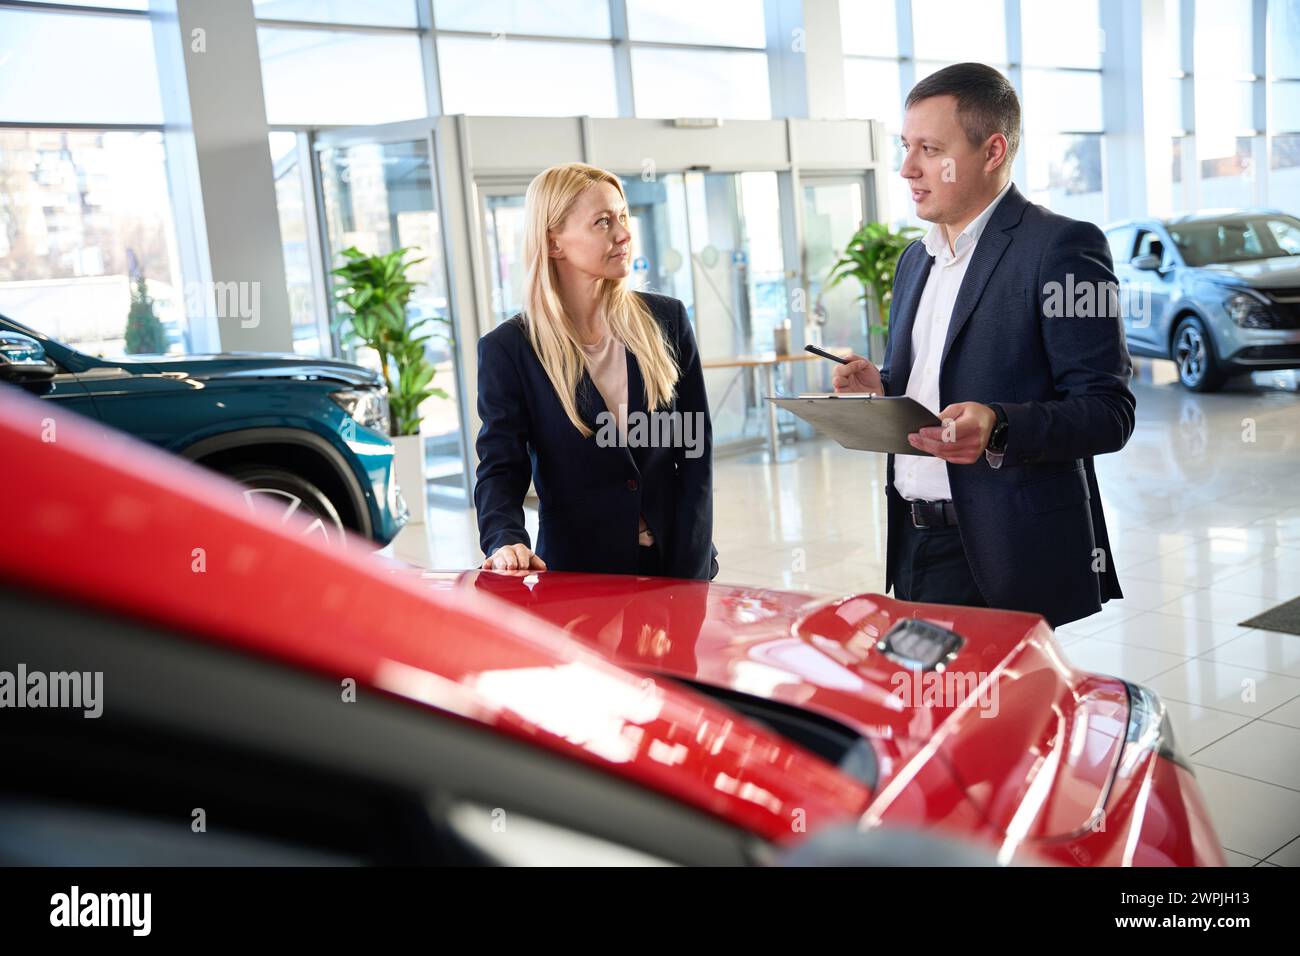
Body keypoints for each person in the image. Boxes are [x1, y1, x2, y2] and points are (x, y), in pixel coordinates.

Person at [833, 63, 1135, 627]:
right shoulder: (914, 260)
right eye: (905, 146)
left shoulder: (1061, 247)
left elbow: (1108, 413)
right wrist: (883, 384)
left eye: (928, 148)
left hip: (1005, 553)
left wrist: (998, 424)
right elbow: (938, 381)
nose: (907, 168)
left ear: (992, 150)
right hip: (914, 542)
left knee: (994, 713)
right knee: (929, 711)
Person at [474, 162, 717, 580]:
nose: (623, 234)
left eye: (623, 217)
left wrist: (690, 571)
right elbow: (501, 466)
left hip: (674, 567)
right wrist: (504, 539)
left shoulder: (667, 320)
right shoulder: (510, 349)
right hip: (577, 576)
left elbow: (696, 455)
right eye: (603, 222)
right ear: (554, 244)